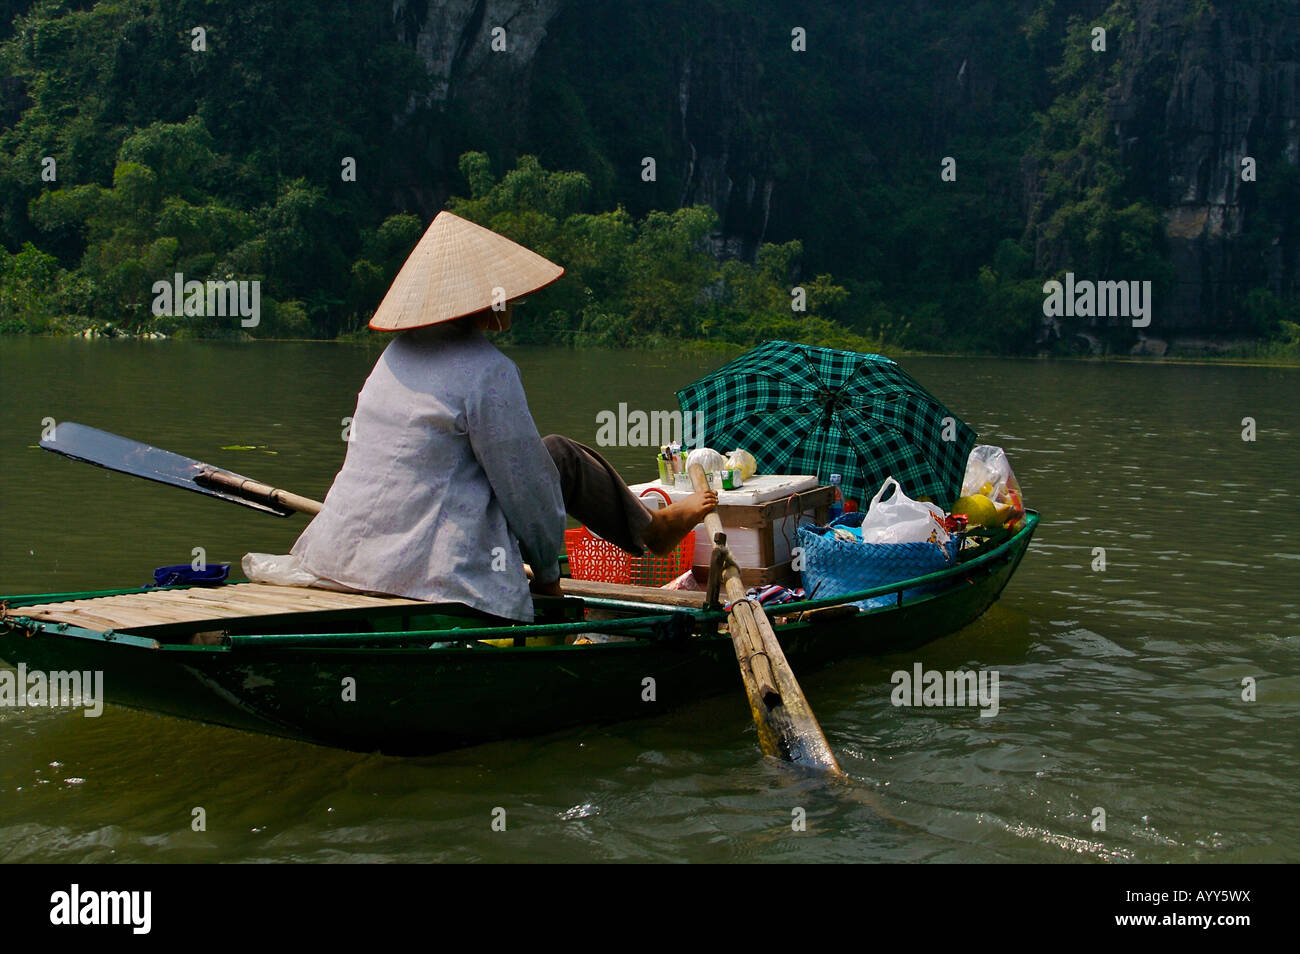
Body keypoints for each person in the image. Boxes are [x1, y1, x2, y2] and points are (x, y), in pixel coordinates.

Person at [289, 211, 715, 622]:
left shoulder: (394, 357)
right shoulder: (488, 372)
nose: (513, 299)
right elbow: (528, 491)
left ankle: (651, 527)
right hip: (429, 573)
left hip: (340, 553)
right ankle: (652, 531)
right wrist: (548, 579)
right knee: (557, 461)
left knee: (553, 456)